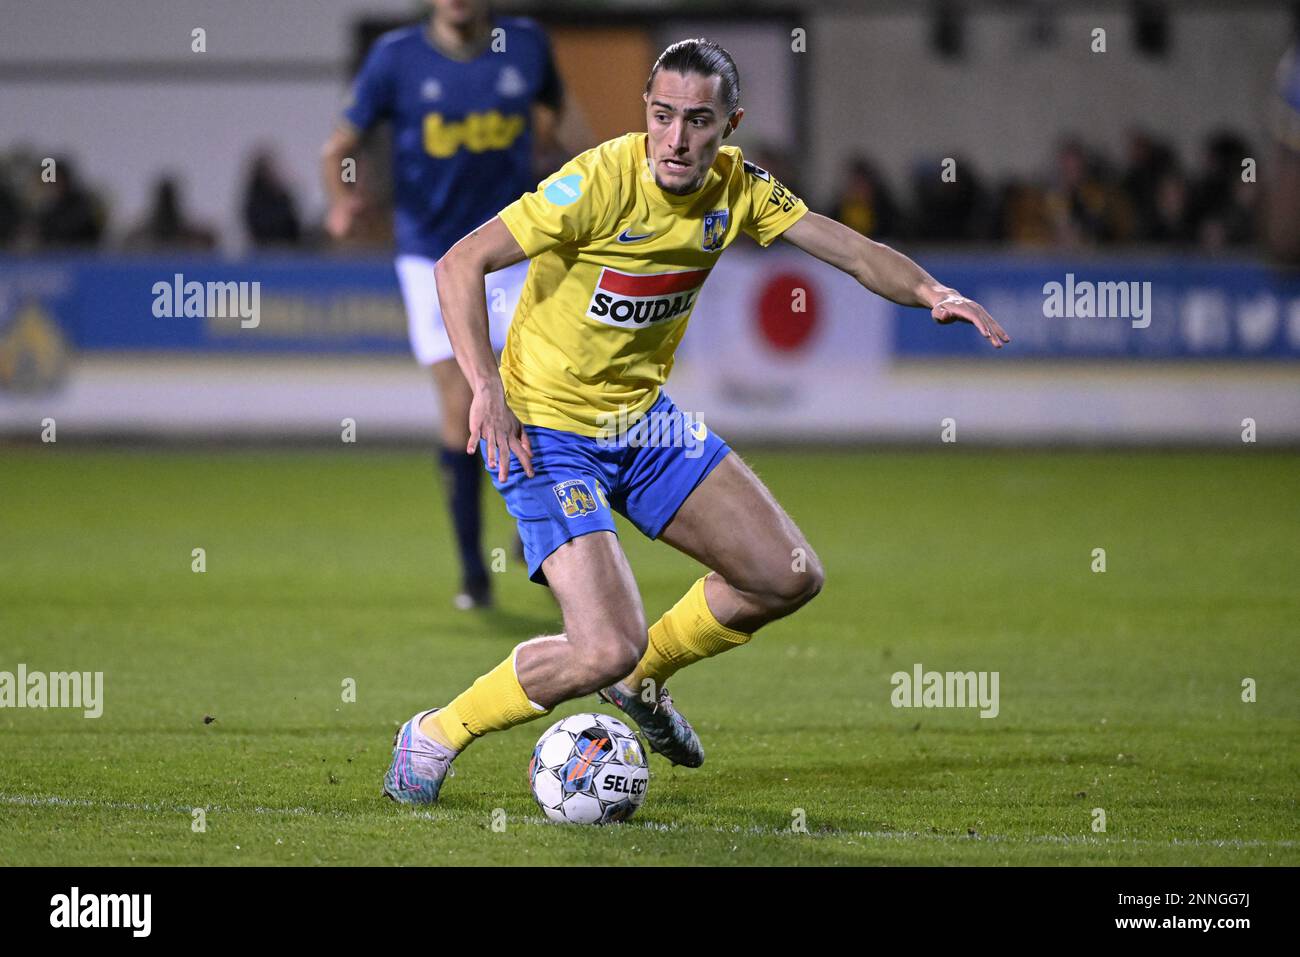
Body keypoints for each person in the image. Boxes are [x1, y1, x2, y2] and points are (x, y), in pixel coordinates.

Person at [382, 38, 1009, 804]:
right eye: (663, 115)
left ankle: (644, 682)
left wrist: (931, 290)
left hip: (644, 424)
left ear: (730, 124)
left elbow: (846, 248)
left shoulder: (737, 188)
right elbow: (458, 264)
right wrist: (485, 385)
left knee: (786, 575)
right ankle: (436, 733)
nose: (677, 139)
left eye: (699, 121)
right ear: (645, 108)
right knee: (604, 643)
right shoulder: (597, 182)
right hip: (545, 430)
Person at [321, 0, 567, 609]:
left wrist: (595, 179)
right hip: (432, 257)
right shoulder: (396, 58)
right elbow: (337, 148)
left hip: (513, 248)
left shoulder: (526, 44)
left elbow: (560, 120)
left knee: (536, 393)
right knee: (462, 408)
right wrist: (342, 201)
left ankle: (535, 534)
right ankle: (472, 573)